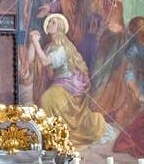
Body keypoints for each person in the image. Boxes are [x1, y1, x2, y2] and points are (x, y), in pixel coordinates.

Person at [27, 13, 106, 146]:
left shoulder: (62, 47)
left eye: (53, 22)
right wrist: (32, 43)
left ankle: (56, 134)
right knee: (46, 98)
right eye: (49, 22)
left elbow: (45, 61)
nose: (49, 24)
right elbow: (31, 60)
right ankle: (52, 133)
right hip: (58, 82)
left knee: (47, 98)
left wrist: (36, 42)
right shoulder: (49, 47)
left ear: (60, 27)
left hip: (70, 85)